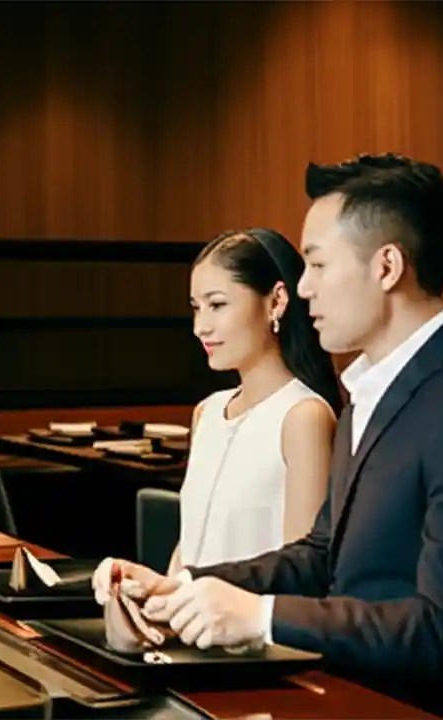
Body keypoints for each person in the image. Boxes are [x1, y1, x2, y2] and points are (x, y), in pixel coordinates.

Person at [98, 154, 443, 718]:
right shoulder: (370, 393)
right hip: (344, 692)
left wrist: (259, 617)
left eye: (316, 265)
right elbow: (320, 557)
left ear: (386, 267)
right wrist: (185, 585)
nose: (302, 288)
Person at [94, 228, 340, 602]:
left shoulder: (304, 416)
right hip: (189, 631)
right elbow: (191, 547)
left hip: (253, 640)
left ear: (276, 301)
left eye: (218, 304)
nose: (200, 327)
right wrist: (154, 591)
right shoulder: (207, 412)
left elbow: (301, 575)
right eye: (196, 307)